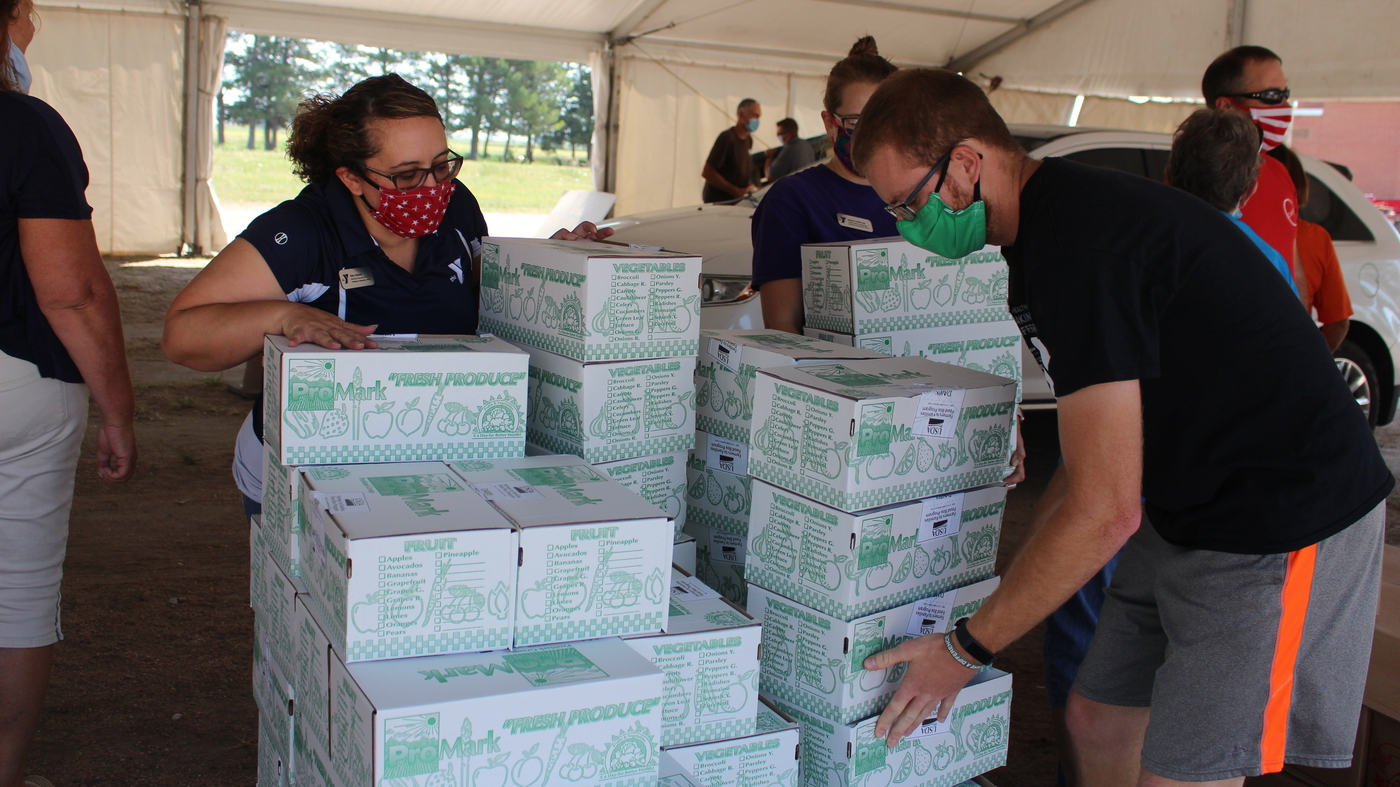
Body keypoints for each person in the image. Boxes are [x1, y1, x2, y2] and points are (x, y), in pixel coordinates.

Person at [853, 69, 1390, 786]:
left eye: (908, 202)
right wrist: (1009, 583)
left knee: (1188, 769)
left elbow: (1107, 511)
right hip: (1186, 502)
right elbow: (1088, 460)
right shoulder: (1040, 239)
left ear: (967, 163)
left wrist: (965, 647)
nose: (906, 225)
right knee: (1097, 719)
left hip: (1276, 513)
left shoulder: (1081, 244)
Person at [161, 74, 609, 515]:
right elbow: (182, 334)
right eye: (407, 175)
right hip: (312, 472)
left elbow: (482, 285)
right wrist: (280, 316)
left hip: (436, 459)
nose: (432, 189)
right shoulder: (302, 233)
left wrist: (552, 264)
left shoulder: (456, 207)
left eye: (441, 166)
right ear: (352, 179)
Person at [1, 2, 138, 785]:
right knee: (16, 591)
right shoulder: (25, 128)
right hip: (15, 381)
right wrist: (118, 408)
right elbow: (73, 293)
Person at [750, 37, 899, 335]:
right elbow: (782, 328)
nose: (873, 136)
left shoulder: (919, 197)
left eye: (885, 122)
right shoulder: (792, 199)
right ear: (831, 124)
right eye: (857, 123)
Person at [1167, 108, 1298, 296]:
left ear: (1168, 176)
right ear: (1249, 191)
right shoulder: (1269, 261)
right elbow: (1294, 324)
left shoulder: (1140, 242)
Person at [1205, 46, 1301, 286]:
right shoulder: (1195, 174)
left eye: (1285, 94)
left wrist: (1300, 320)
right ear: (1225, 106)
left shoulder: (1278, 171)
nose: (1284, 106)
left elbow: (1293, 261)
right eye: (1271, 96)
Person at [1274, 144, 1352, 351]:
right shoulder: (1314, 238)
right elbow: (1338, 322)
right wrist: (1315, 363)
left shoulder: (1221, 227)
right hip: (1290, 357)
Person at [701, 98, 761, 203]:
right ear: (741, 114)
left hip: (737, 201)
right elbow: (708, 172)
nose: (757, 120)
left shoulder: (749, 140)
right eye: (754, 115)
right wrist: (734, 190)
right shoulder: (727, 138)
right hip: (720, 202)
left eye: (759, 117)